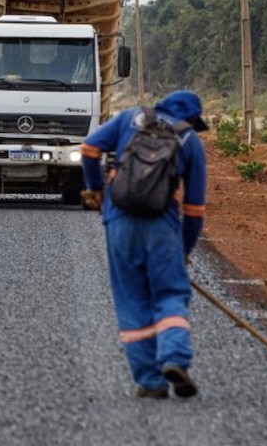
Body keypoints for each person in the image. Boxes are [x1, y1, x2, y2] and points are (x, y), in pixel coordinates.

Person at [79, 90, 208, 399]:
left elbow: (89, 149)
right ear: (191, 118)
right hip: (161, 226)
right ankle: (174, 358)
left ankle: (150, 381)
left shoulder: (128, 118)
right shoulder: (190, 141)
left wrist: (96, 189)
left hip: (119, 222)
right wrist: (185, 249)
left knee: (132, 298)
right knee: (170, 293)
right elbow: (194, 210)